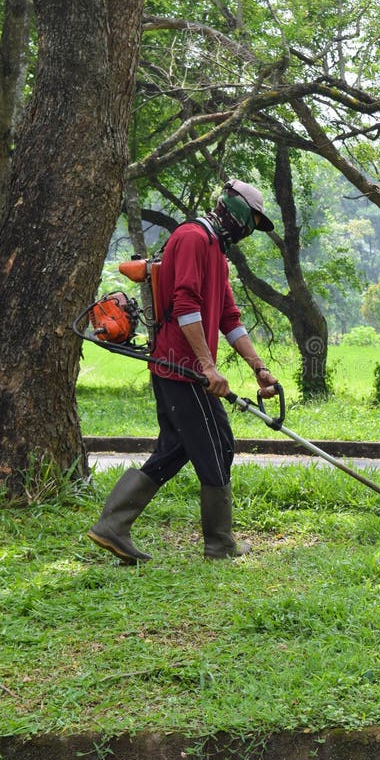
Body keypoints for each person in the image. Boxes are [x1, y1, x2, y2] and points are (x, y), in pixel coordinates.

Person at [87, 179, 279, 563]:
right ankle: (219, 545)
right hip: (180, 369)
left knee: (175, 448)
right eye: (253, 222)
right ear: (238, 211)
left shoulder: (216, 252)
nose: (249, 232)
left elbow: (228, 317)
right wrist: (207, 365)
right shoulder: (191, 238)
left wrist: (258, 367)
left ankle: (112, 526)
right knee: (217, 444)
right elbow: (186, 305)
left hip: (187, 368)